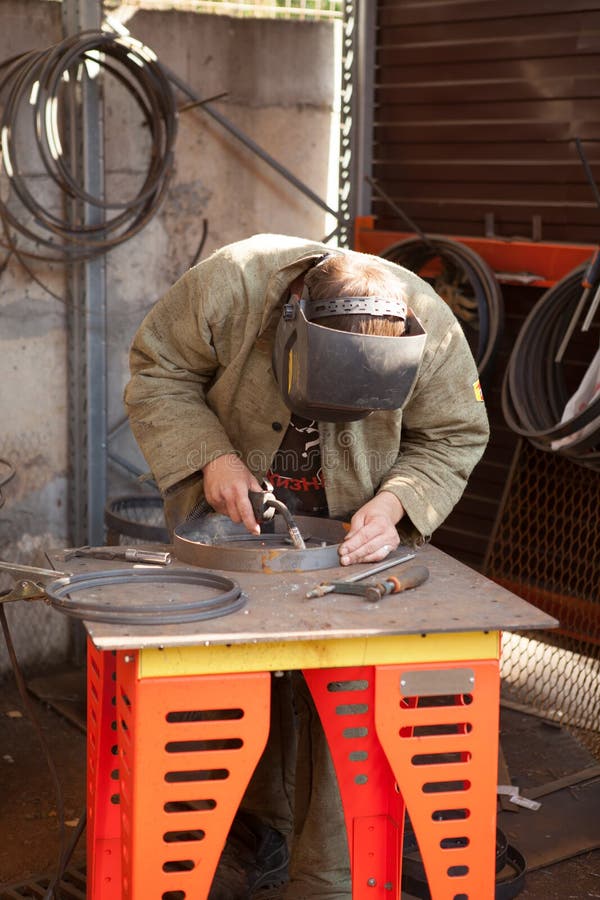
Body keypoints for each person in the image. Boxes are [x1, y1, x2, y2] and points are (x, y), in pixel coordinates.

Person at [124, 233, 489, 900]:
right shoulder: (233, 285)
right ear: (293, 315)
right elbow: (158, 370)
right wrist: (211, 456)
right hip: (230, 523)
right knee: (234, 686)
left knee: (342, 694)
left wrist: (395, 503)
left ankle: (327, 875)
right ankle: (257, 827)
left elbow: (454, 432)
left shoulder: (432, 331)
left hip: (346, 538)